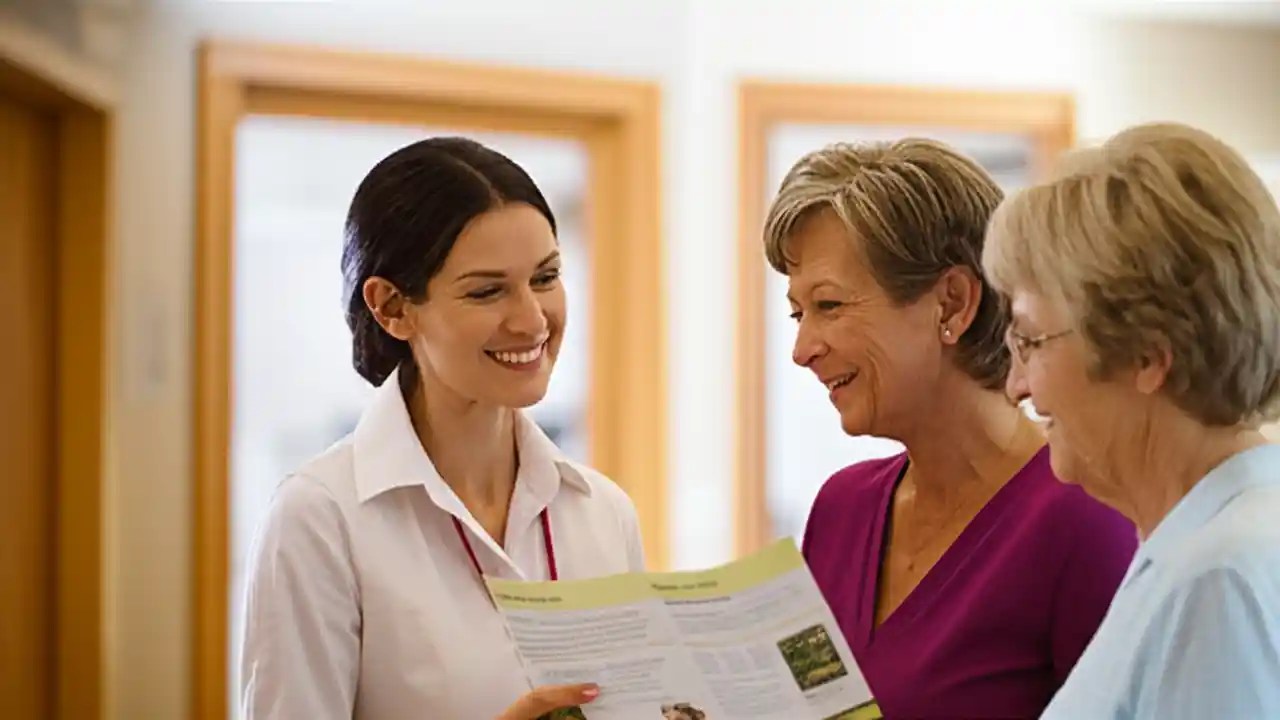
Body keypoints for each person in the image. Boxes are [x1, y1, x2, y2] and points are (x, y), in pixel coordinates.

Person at [238, 137, 645, 719]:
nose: (532, 320)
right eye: (487, 291)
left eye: (546, 277)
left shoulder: (604, 513)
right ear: (393, 308)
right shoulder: (320, 520)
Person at [763, 138, 1139, 717]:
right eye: (798, 313)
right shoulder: (843, 508)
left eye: (830, 305)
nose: (802, 348)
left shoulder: (1085, 517)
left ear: (952, 304)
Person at [983, 121, 1280, 717]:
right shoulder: (1196, 539)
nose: (1016, 385)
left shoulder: (1217, 575)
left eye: (1032, 341)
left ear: (1146, 356)